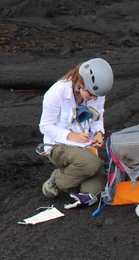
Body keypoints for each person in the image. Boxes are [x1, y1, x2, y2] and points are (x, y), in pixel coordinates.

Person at [38, 58, 113, 209]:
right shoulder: (55, 93)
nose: (94, 99)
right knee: (92, 164)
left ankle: (72, 182)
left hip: (85, 148)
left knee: (95, 187)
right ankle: (57, 180)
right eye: (91, 95)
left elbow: (98, 117)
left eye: (96, 96)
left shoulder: (97, 93)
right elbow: (45, 126)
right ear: (80, 84)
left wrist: (99, 133)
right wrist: (71, 136)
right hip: (58, 146)